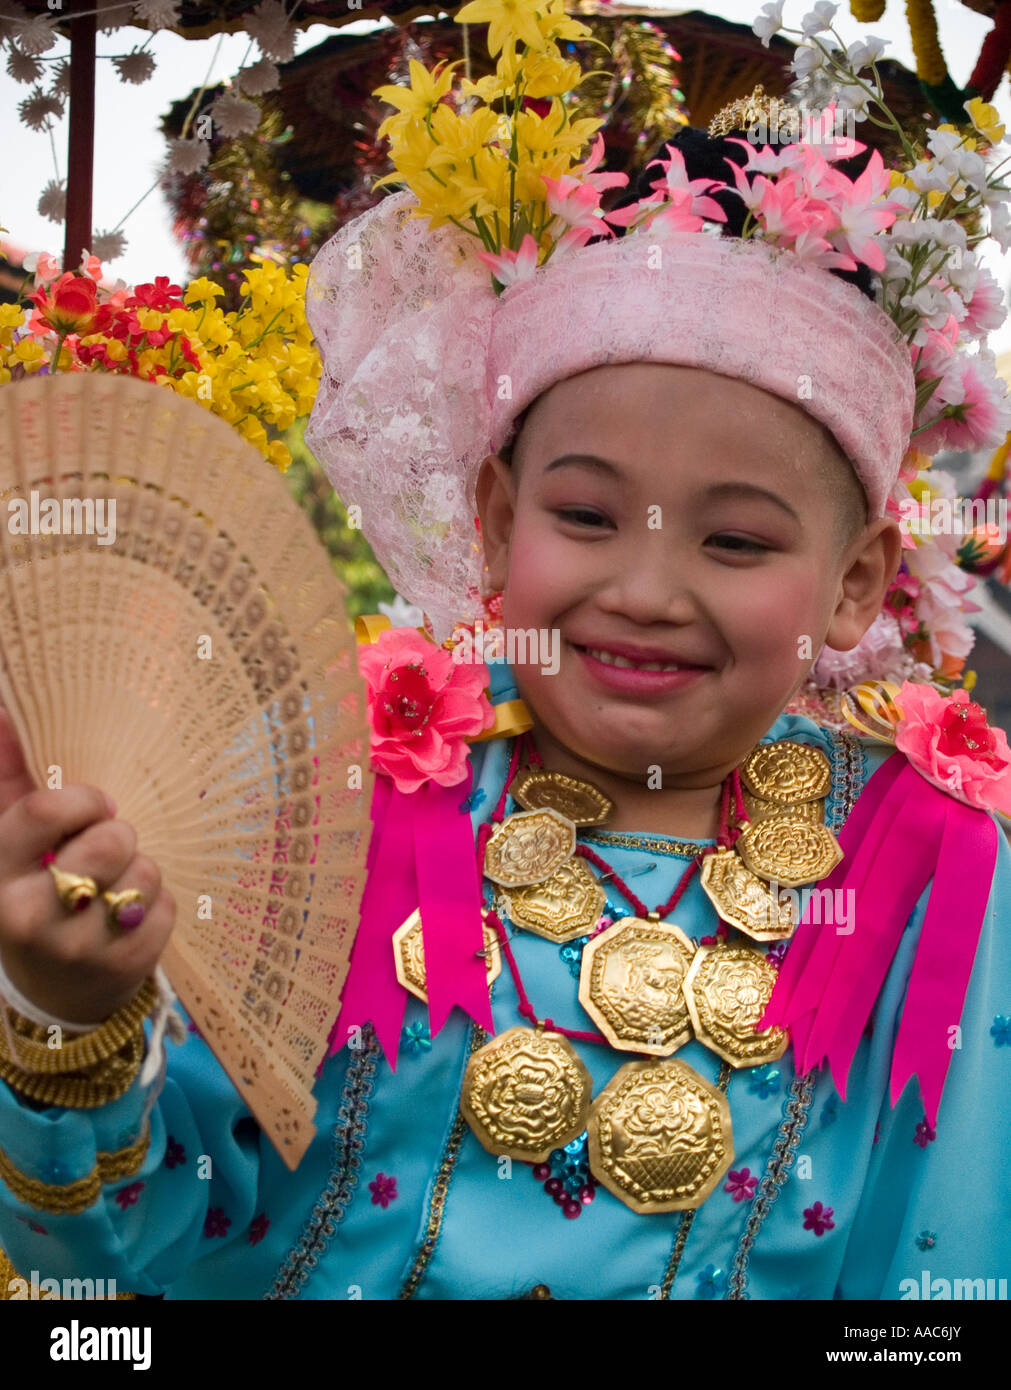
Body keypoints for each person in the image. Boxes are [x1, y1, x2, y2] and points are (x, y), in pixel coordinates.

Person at [1, 0, 1010, 1301]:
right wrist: (68, 1012)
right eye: (586, 516)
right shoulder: (328, 800)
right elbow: (124, 1236)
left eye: (739, 541)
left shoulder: (930, 866)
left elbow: (945, 1272)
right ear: (491, 520)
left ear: (855, 580)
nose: (646, 589)